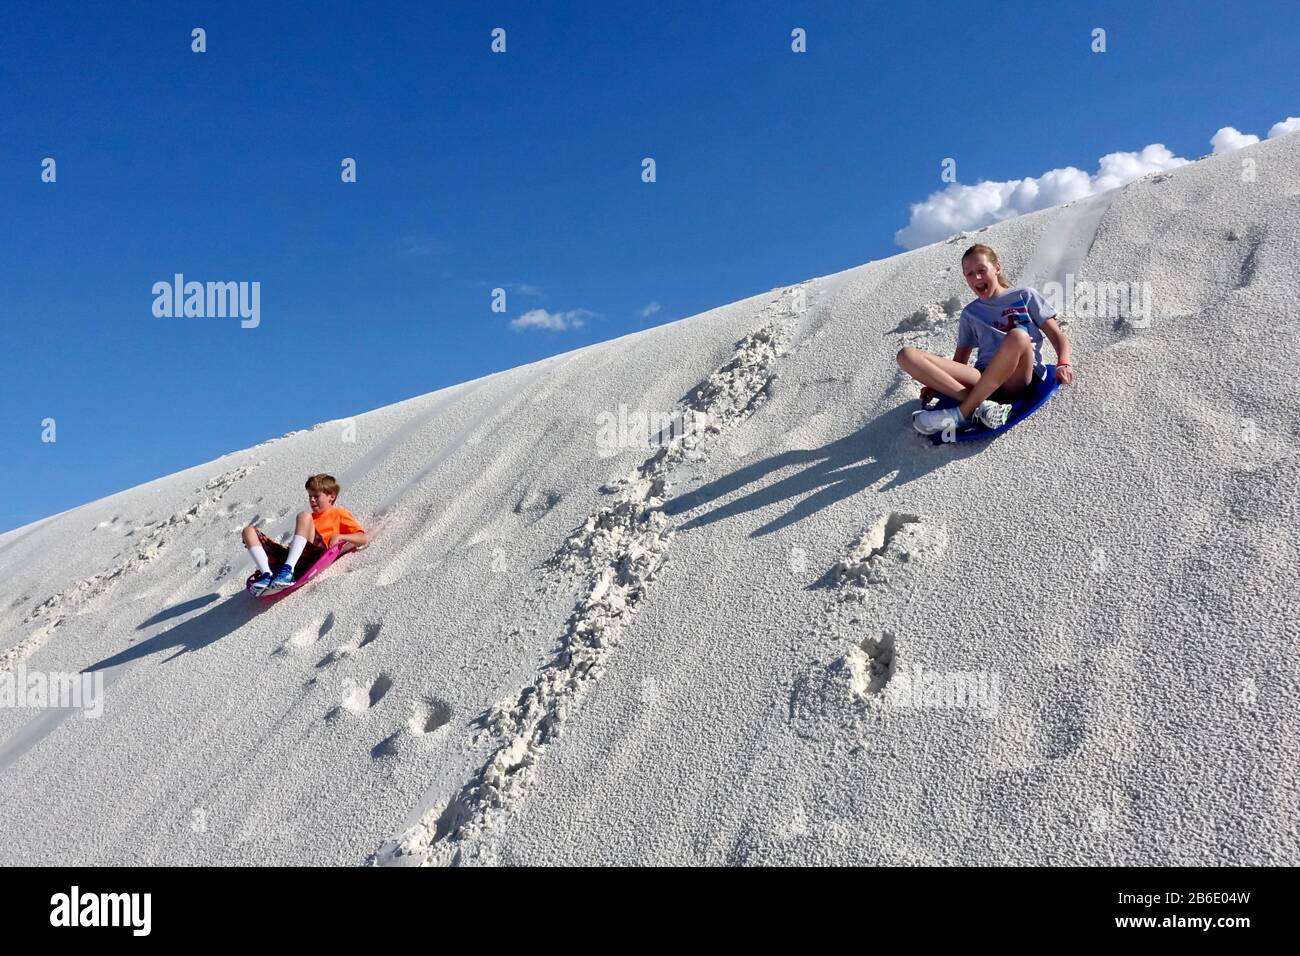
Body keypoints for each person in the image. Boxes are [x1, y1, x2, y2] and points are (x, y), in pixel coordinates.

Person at [898, 243, 1074, 436]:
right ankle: (980, 406)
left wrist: (1063, 363)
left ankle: (963, 413)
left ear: (997, 268)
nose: (977, 278)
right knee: (906, 355)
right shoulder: (970, 313)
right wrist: (933, 383)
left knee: (1018, 335)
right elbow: (960, 362)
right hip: (982, 377)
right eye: (970, 274)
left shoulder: (1025, 295)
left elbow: (1058, 336)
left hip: (1018, 377)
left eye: (982, 270)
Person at [242, 474, 367, 594]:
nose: (312, 500)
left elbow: (363, 538)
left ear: (332, 496)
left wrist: (340, 536)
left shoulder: (338, 513)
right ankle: (266, 575)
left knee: (303, 515)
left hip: (316, 554)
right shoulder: (310, 518)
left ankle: (287, 572)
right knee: (248, 531)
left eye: (316, 496)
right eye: (310, 496)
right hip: (297, 558)